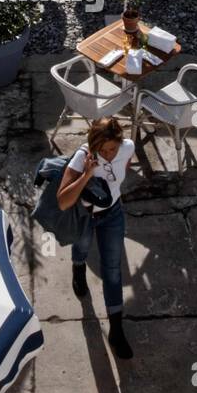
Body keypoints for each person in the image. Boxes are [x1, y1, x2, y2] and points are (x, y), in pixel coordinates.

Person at [58, 117, 136, 358]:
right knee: (81, 247)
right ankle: (78, 267)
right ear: (93, 147)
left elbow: (120, 172)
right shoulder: (82, 158)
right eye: (102, 150)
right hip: (85, 216)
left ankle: (116, 329)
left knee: (112, 269)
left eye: (112, 149)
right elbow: (63, 202)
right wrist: (86, 175)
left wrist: (111, 191)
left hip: (113, 213)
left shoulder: (128, 148)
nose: (109, 154)